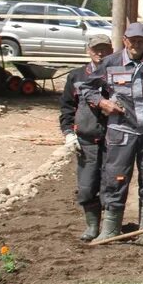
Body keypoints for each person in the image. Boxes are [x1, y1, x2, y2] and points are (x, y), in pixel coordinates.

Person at [82, 21, 143, 246]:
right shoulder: (110, 63)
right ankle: (111, 228)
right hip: (121, 131)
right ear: (125, 40)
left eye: (141, 40)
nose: (136, 44)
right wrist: (102, 103)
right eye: (133, 40)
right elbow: (86, 88)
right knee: (116, 178)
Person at [60, 33, 113, 241]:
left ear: (112, 50)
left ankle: (109, 226)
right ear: (88, 51)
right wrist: (68, 133)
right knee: (87, 184)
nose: (100, 53)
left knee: (111, 184)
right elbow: (67, 107)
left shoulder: (118, 73)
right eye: (95, 49)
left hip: (114, 140)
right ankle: (92, 226)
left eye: (104, 48)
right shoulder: (76, 76)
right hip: (86, 140)